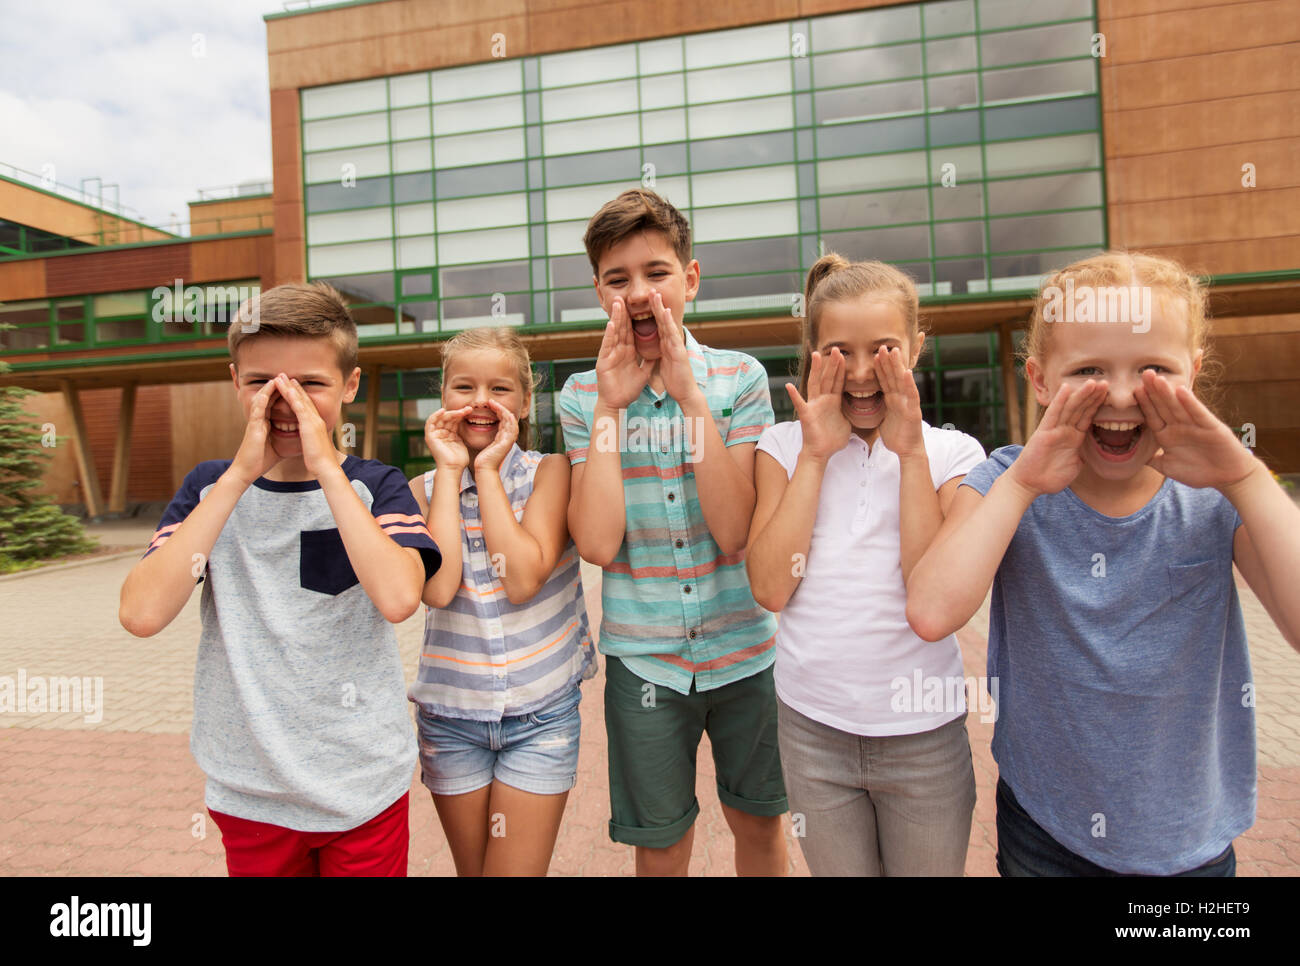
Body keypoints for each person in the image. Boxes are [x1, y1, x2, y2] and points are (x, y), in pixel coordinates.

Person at [907, 251, 1300, 876]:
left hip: (1189, 843)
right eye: (1088, 369)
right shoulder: (1008, 478)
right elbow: (931, 610)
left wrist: (1246, 477)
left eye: (1154, 369)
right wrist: (1021, 487)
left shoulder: (1217, 493)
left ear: (1192, 373)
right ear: (1038, 379)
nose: (1120, 394)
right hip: (1047, 832)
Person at [118, 282, 440, 877]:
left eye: (310, 384)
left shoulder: (377, 486)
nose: (286, 402)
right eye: (262, 383)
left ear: (351, 385)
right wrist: (239, 476)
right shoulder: (210, 488)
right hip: (250, 789)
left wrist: (325, 466)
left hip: (362, 785)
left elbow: (400, 598)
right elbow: (142, 614)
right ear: (234, 380)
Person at [558, 188, 788, 876]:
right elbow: (597, 544)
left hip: (746, 649)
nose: (638, 293)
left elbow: (735, 533)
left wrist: (689, 396)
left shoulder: (738, 378)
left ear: (689, 278)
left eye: (656, 273)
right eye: (617, 279)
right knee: (659, 843)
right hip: (646, 660)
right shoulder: (580, 395)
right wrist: (609, 405)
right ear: (598, 291)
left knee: (759, 822)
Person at [746, 253, 984, 876]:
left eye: (882, 350)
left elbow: (931, 595)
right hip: (812, 731)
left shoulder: (955, 453)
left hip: (923, 737)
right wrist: (817, 456)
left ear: (917, 345)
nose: (859, 373)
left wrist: (909, 455)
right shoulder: (782, 446)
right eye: (838, 351)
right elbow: (771, 585)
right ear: (813, 351)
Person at [408, 327, 594, 876]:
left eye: (501, 389)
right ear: (443, 397)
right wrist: (451, 471)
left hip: (540, 718)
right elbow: (437, 588)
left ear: (526, 401)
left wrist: (487, 470)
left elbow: (521, 578)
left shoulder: (551, 473)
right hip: (449, 719)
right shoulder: (420, 491)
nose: (481, 402)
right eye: (463, 387)